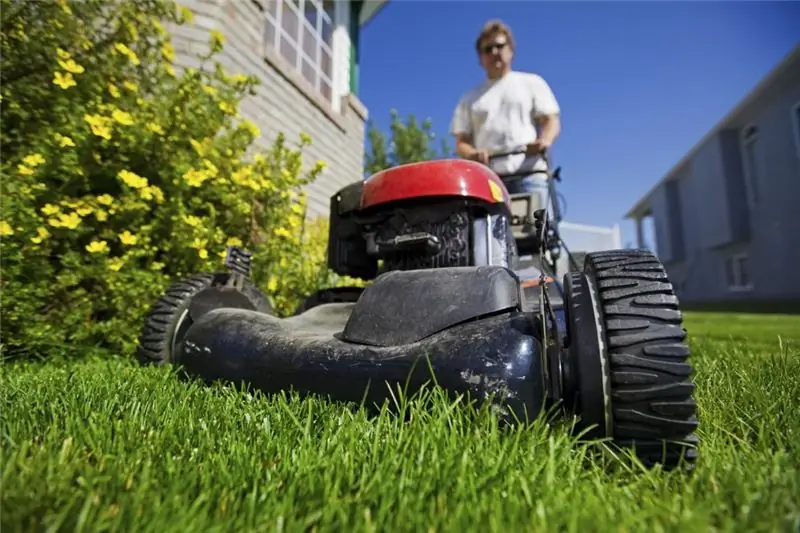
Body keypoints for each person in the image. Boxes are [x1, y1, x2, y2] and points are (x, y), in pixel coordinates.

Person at [450, 20, 562, 202]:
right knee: (487, 231)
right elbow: (461, 141)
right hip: (488, 182)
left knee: (537, 229)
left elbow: (551, 120)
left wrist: (544, 141)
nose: (494, 52)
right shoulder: (469, 98)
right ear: (480, 58)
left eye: (499, 46)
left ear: (510, 49)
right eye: (488, 49)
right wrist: (472, 154)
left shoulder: (531, 82)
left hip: (530, 174)